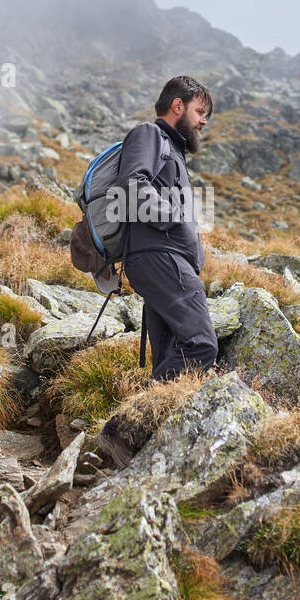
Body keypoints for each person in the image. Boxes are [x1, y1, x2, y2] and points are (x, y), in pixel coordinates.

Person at [117, 75, 218, 380]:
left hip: (167, 262)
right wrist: (175, 219)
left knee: (173, 355)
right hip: (160, 258)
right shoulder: (149, 135)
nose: (203, 122)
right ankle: (126, 425)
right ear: (178, 106)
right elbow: (132, 187)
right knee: (201, 346)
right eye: (200, 113)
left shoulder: (173, 151)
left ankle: (146, 425)